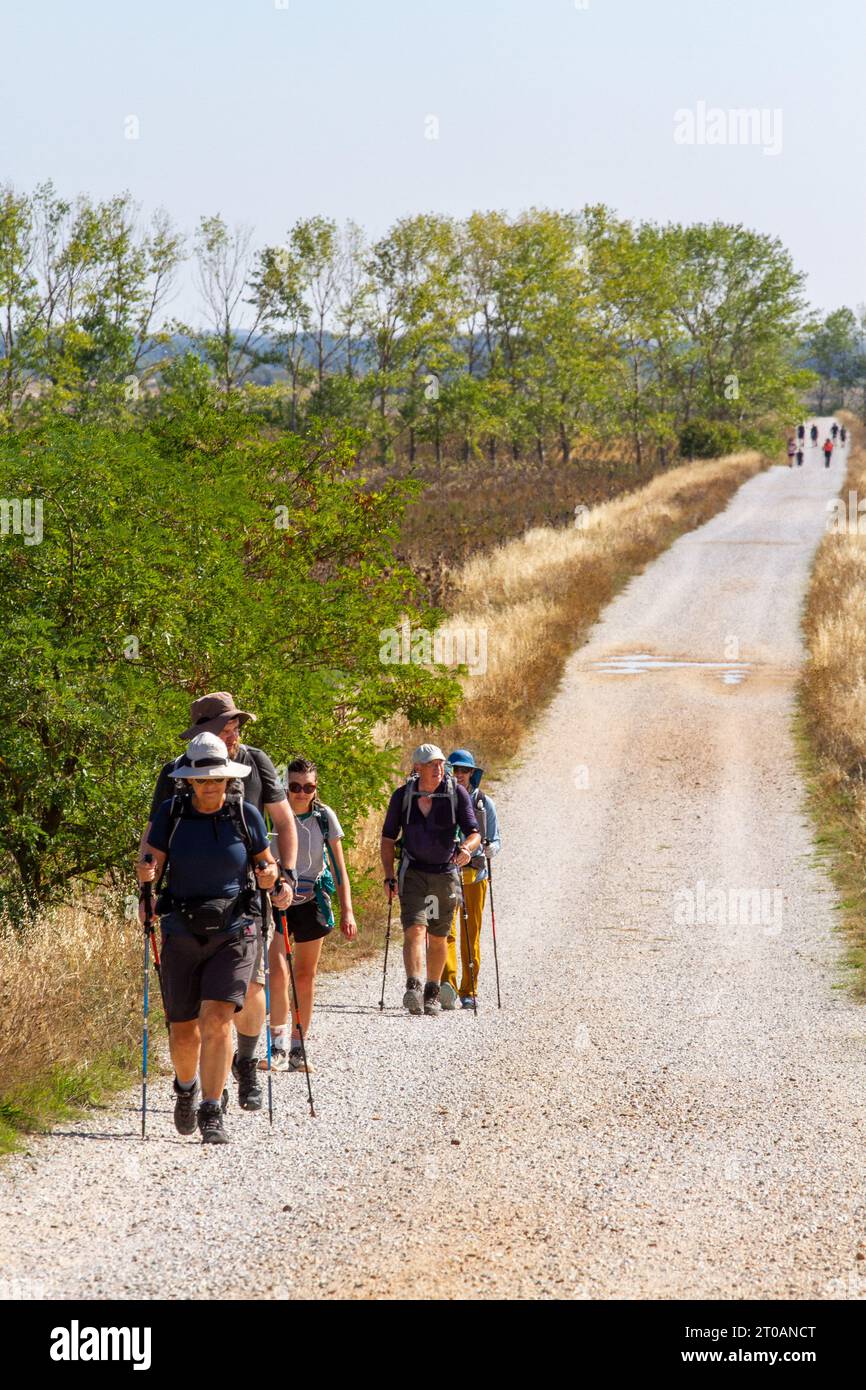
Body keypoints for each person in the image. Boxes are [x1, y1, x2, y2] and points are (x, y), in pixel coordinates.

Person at [139, 692, 297, 1112]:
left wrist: (286, 876)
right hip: (188, 908)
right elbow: (155, 833)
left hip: (246, 899)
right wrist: (146, 885)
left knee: (253, 985)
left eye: (236, 727)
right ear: (202, 732)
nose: (235, 734)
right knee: (193, 1020)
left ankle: (244, 1063)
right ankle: (204, 1082)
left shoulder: (256, 760)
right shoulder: (175, 774)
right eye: (227, 727)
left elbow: (283, 821)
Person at [265, 758, 357, 1073]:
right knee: (277, 972)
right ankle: (276, 1046)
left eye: (308, 787)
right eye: (294, 787)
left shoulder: (323, 817)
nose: (301, 793)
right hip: (276, 899)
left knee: (305, 975)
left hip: (312, 898)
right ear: (284, 786)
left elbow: (339, 867)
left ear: (316, 788)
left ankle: (299, 1046)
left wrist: (347, 909)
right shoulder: (272, 815)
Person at [380, 744, 480, 1016]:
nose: (438, 768)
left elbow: (474, 833)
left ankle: (432, 992)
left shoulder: (455, 793)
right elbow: (388, 838)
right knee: (414, 929)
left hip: (444, 876)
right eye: (430, 764)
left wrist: (466, 849)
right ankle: (413, 986)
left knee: (438, 935)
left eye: (439, 763)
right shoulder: (403, 796)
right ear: (417, 767)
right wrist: (389, 875)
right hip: (413, 873)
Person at [440, 750, 501, 1011]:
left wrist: (489, 850)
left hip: (476, 877)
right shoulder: (441, 799)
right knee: (446, 932)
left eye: (465, 770)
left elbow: (496, 839)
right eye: (455, 770)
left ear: (472, 774)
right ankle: (448, 987)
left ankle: (470, 990)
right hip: (445, 877)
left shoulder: (484, 803)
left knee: (471, 934)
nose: (460, 775)